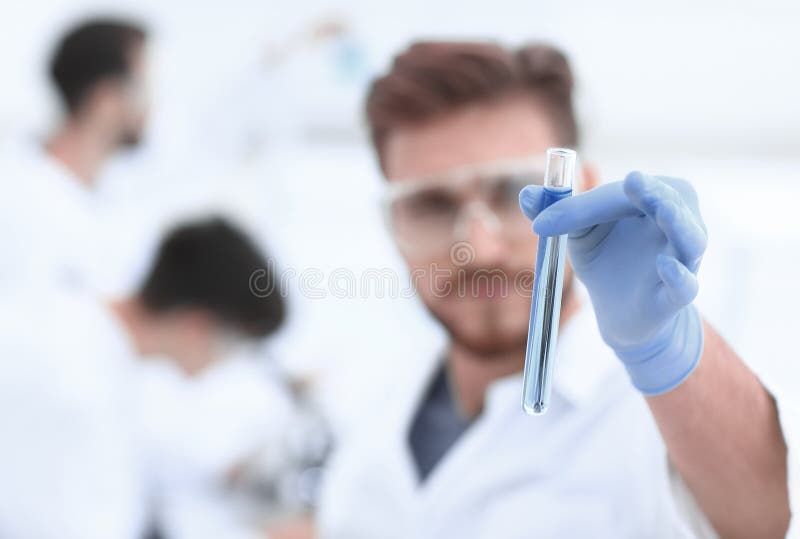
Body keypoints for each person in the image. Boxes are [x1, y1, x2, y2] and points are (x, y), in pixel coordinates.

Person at [315, 42, 796, 538]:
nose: (479, 250)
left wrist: (670, 350)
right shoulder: (370, 417)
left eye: (511, 193)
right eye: (432, 207)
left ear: (583, 189)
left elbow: (771, 516)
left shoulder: (663, 413)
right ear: (393, 224)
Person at [0, 217, 286, 539]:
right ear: (197, 326)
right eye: (233, 346)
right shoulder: (82, 391)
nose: (224, 362)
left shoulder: (64, 318)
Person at [0, 17, 149, 291]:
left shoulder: (114, 215)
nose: (151, 104)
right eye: (144, 85)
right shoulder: (14, 194)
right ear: (105, 97)